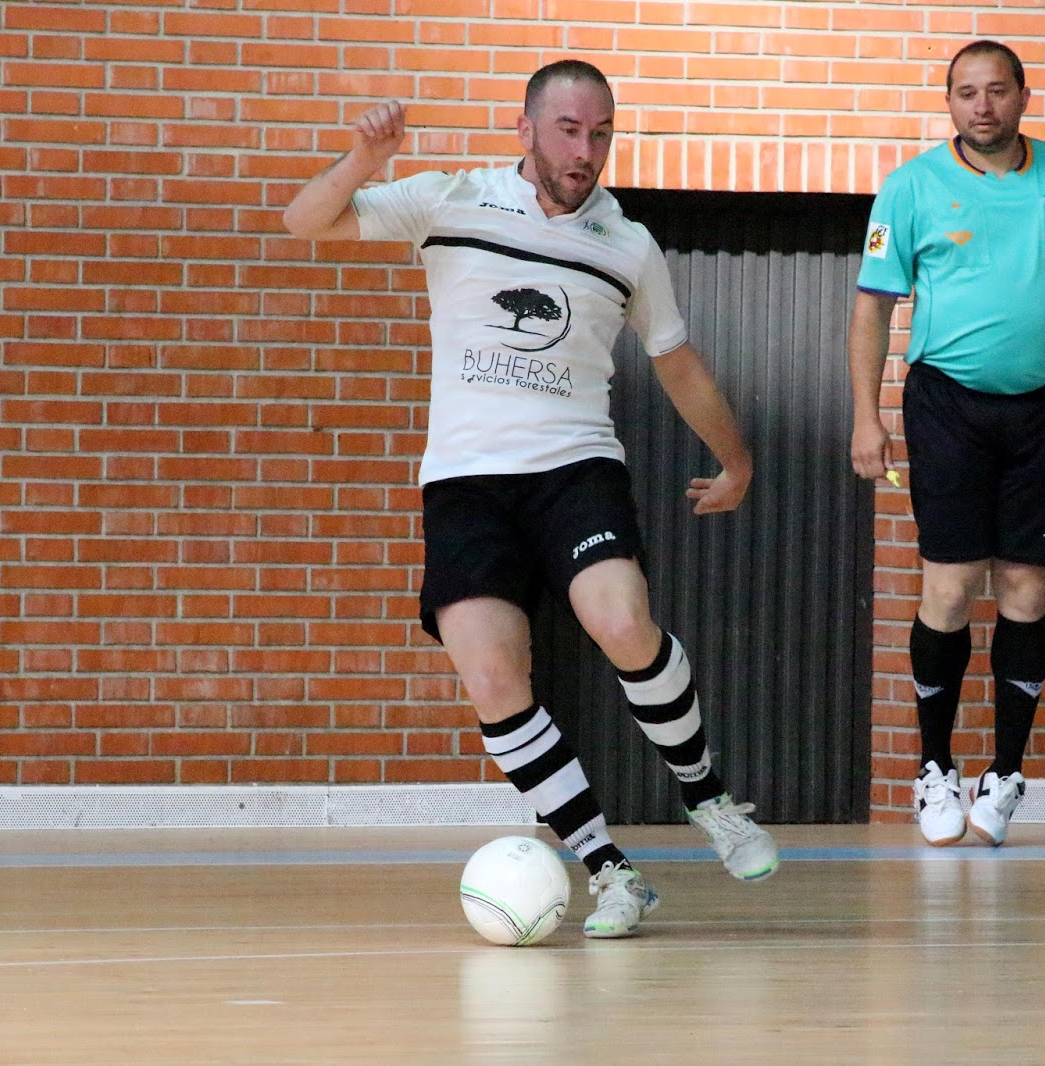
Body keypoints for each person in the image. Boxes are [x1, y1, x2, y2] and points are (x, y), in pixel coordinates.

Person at [282, 59, 778, 939]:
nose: (584, 151)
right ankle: (609, 869)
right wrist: (366, 159)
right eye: (567, 130)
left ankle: (710, 799)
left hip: (575, 468)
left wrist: (734, 460)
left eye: (600, 134)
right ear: (525, 130)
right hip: (466, 483)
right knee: (492, 674)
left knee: (623, 623)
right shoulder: (452, 200)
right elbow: (303, 220)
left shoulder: (628, 245)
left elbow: (677, 360)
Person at [848, 40, 1045, 847]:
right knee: (947, 589)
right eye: (966, 93)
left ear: (1022, 97)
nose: (983, 106)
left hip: (1043, 409)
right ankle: (934, 769)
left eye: (997, 91)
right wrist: (866, 415)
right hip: (945, 406)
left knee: (1025, 590)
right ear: (949, 103)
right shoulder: (911, 188)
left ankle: (1006, 773)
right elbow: (872, 307)